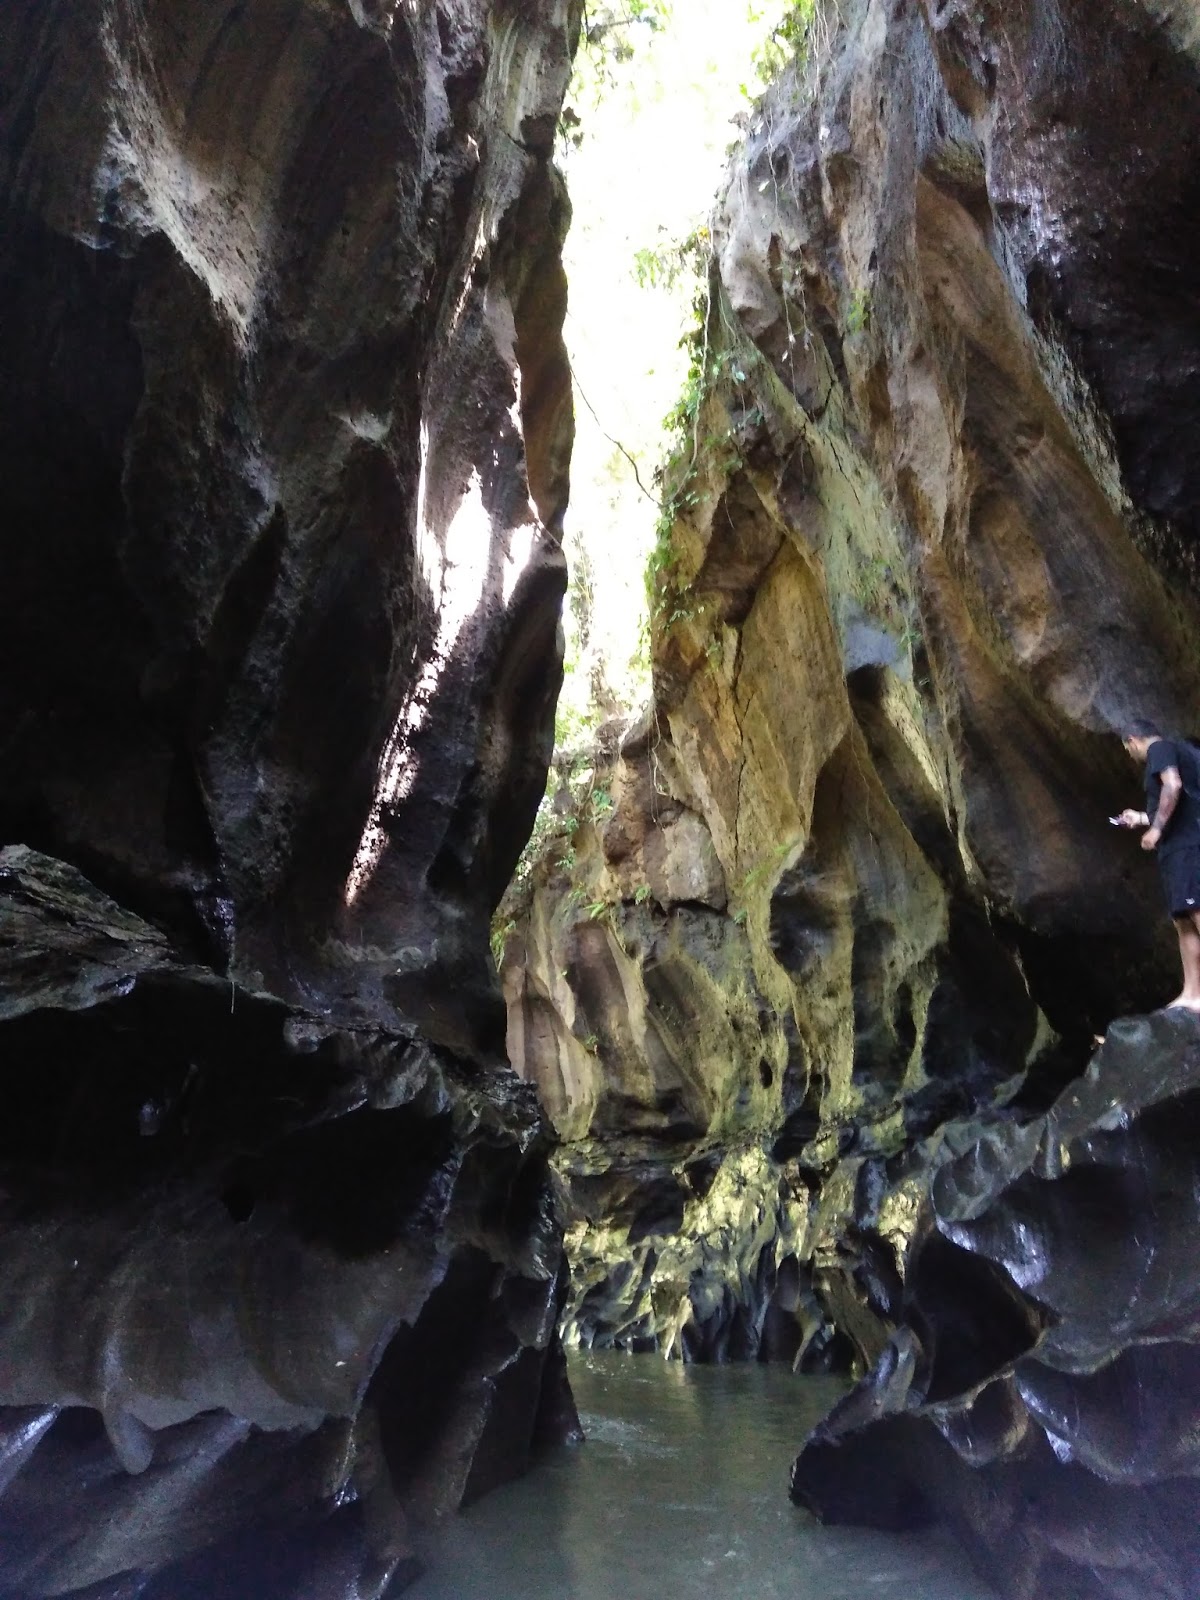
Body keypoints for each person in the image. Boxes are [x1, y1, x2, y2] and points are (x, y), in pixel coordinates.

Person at [1116, 719, 1200, 1011]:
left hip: (1188, 848)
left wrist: (1156, 830)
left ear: (1133, 740)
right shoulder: (1184, 753)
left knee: (1195, 911)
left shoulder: (1161, 749)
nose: (1130, 754)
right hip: (1180, 846)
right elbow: (1182, 801)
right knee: (1183, 919)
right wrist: (1141, 819)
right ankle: (1192, 994)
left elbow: (1173, 785)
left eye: (1128, 748)